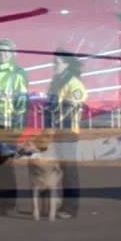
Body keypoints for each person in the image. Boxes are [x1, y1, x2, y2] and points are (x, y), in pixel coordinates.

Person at [0, 38, 29, 216]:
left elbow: (22, 103)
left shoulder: (17, 74)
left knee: (6, 166)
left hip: (8, 127)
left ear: (13, 53)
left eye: (6, 51)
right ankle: (3, 203)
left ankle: (9, 204)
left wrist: (17, 130)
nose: (2, 54)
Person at [46, 51, 87, 220]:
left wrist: (52, 111)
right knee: (59, 169)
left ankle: (71, 207)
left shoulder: (74, 84)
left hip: (68, 132)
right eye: (54, 62)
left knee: (69, 170)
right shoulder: (56, 82)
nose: (54, 65)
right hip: (55, 132)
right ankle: (60, 204)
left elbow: (71, 108)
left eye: (58, 62)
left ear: (67, 64)